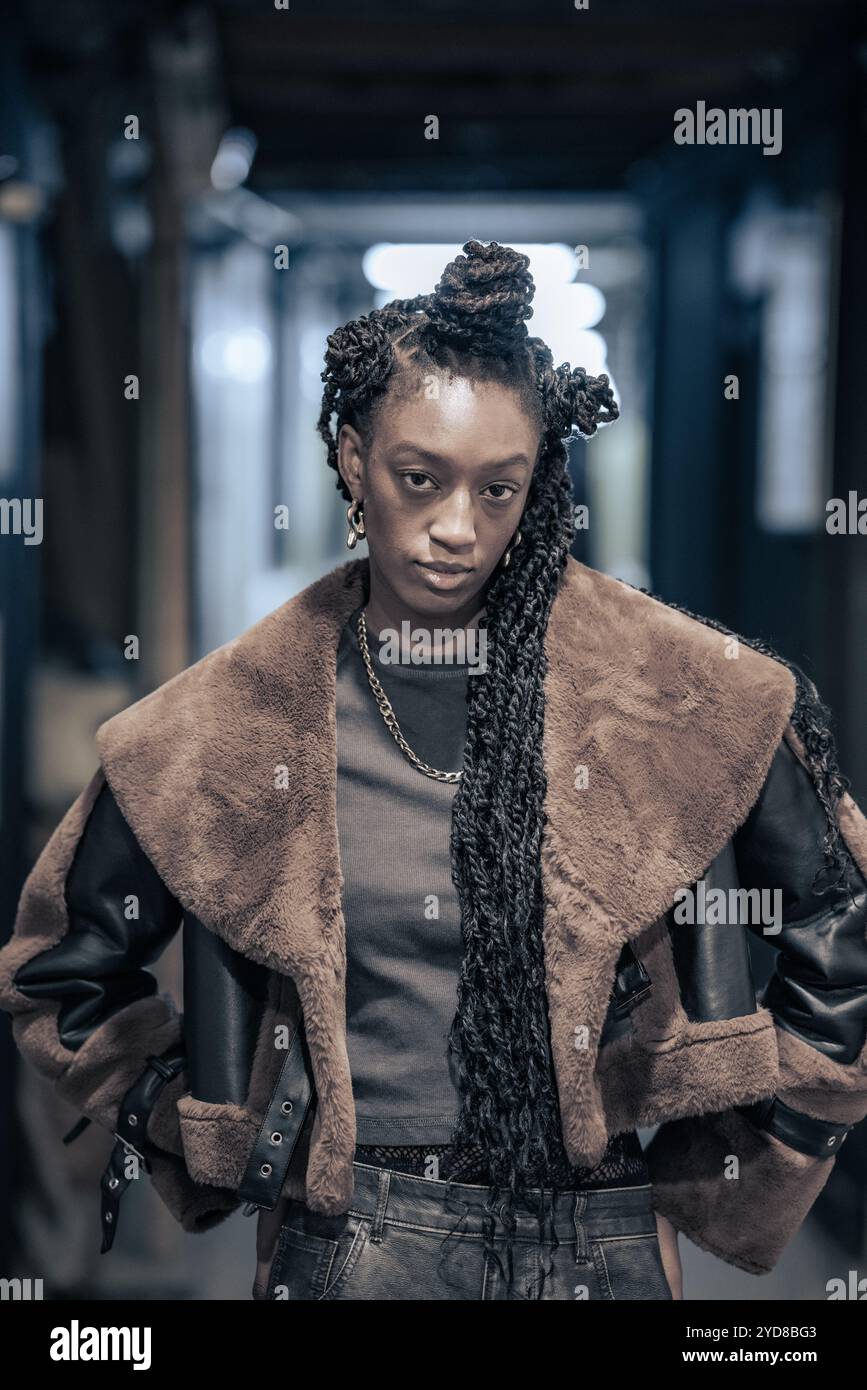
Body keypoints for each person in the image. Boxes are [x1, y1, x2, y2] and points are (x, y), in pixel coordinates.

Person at [2, 240, 866, 1301]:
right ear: (351, 454)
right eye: (421, 478)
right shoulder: (227, 723)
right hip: (352, 1237)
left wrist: (722, 1169)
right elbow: (59, 970)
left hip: (602, 1236)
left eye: (499, 489)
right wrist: (216, 1132)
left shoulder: (676, 694)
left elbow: (842, 932)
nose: (458, 528)